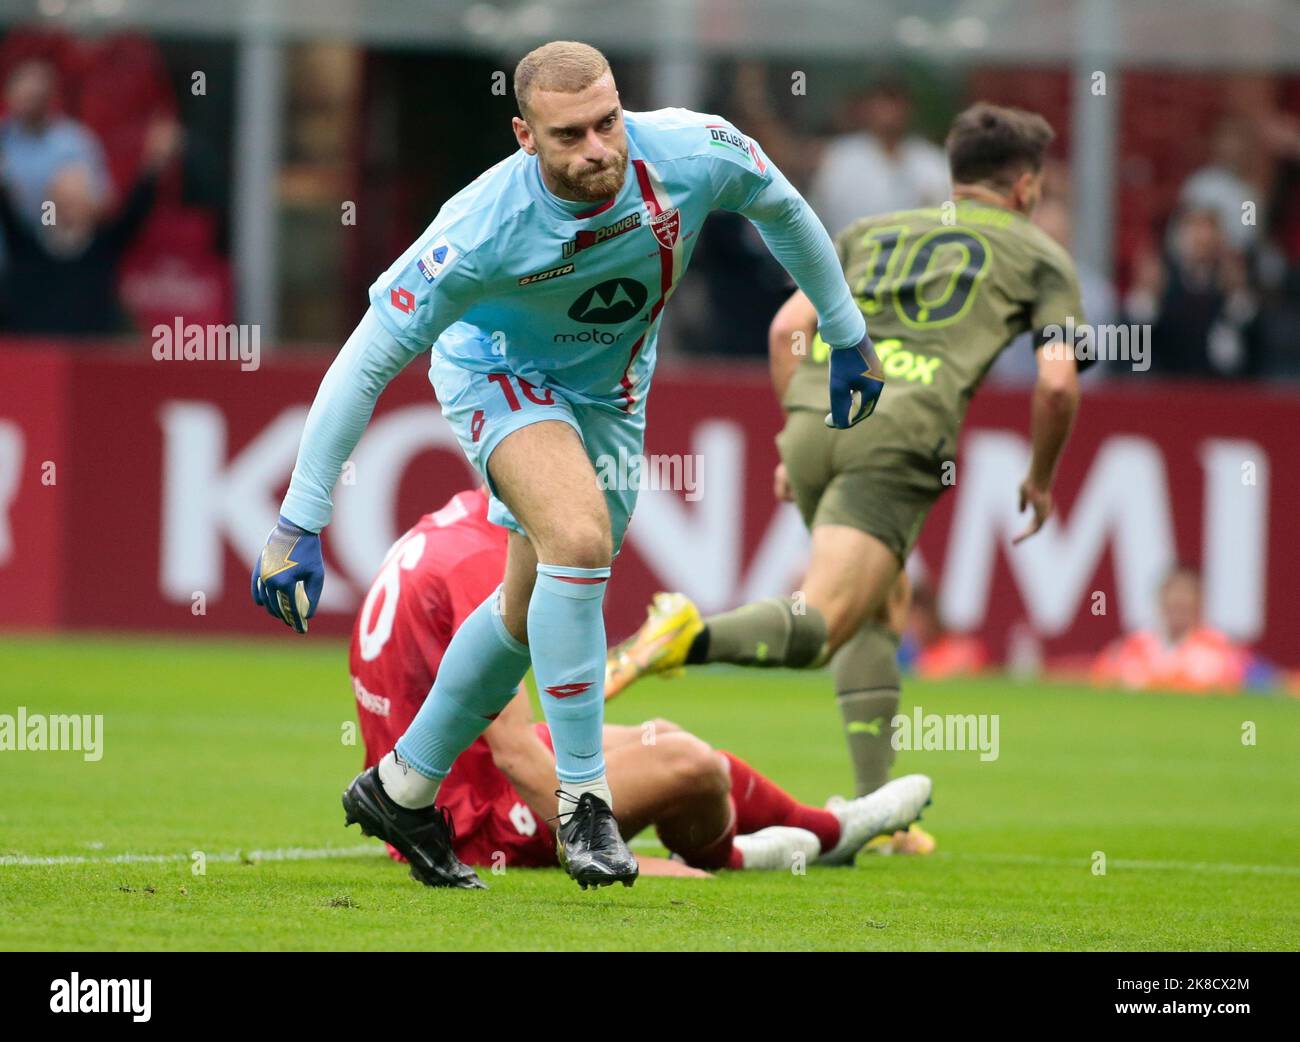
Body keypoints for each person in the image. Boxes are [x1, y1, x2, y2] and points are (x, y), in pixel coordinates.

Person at [251, 40, 883, 891]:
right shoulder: (479, 228)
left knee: (523, 610)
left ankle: (402, 785)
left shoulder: (694, 149)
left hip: (615, 391)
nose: (598, 150)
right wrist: (300, 517)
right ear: (524, 136)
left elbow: (786, 210)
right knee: (578, 542)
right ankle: (585, 804)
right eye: (569, 135)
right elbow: (364, 362)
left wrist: (847, 336)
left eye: (607, 123)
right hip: (500, 374)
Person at [607, 103, 1088, 824]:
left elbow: (787, 329)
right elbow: (1056, 383)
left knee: (881, 605)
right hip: (901, 433)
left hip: (823, 413)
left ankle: (874, 806)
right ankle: (687, 636)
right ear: (1026, 189)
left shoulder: (874, 231)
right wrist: (1042, 478)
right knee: (825, 622)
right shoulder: (1042, 256)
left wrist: (796, 429)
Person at [349, 486, 932, 885]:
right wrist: (601, 851)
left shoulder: (449, 526)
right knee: (691, 764)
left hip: (436, 786)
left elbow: (487, 713)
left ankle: (826, 828)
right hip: (472, 821)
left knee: (660, 737)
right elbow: (514, 751)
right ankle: (757, 852)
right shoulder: (483, 564)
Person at [0, 118, 179, 334]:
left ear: (90, 204)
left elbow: (135, 212)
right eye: (63, 200)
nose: (69, 207)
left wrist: (155, 162)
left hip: (88, 356)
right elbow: (7, 209)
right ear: (50, 202)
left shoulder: (103, 248)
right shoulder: (28, 248)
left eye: (76, 200)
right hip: (28, 358)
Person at [807, 77, 950, 237]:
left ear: (909, 108)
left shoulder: (932, 161)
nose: (888, 112)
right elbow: (818, 215)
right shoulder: (839, 157)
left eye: (894, 103)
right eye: (881, 104)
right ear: (867, 108)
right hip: (850, 255)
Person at [1090, 565, 1247, 693]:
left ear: (1200, 601)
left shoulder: (1223, 649)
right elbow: (1098, 684)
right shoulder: (1129, 648)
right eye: (1173, 593)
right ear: (1160, 599)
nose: (1178, 600)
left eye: (1186, 594)